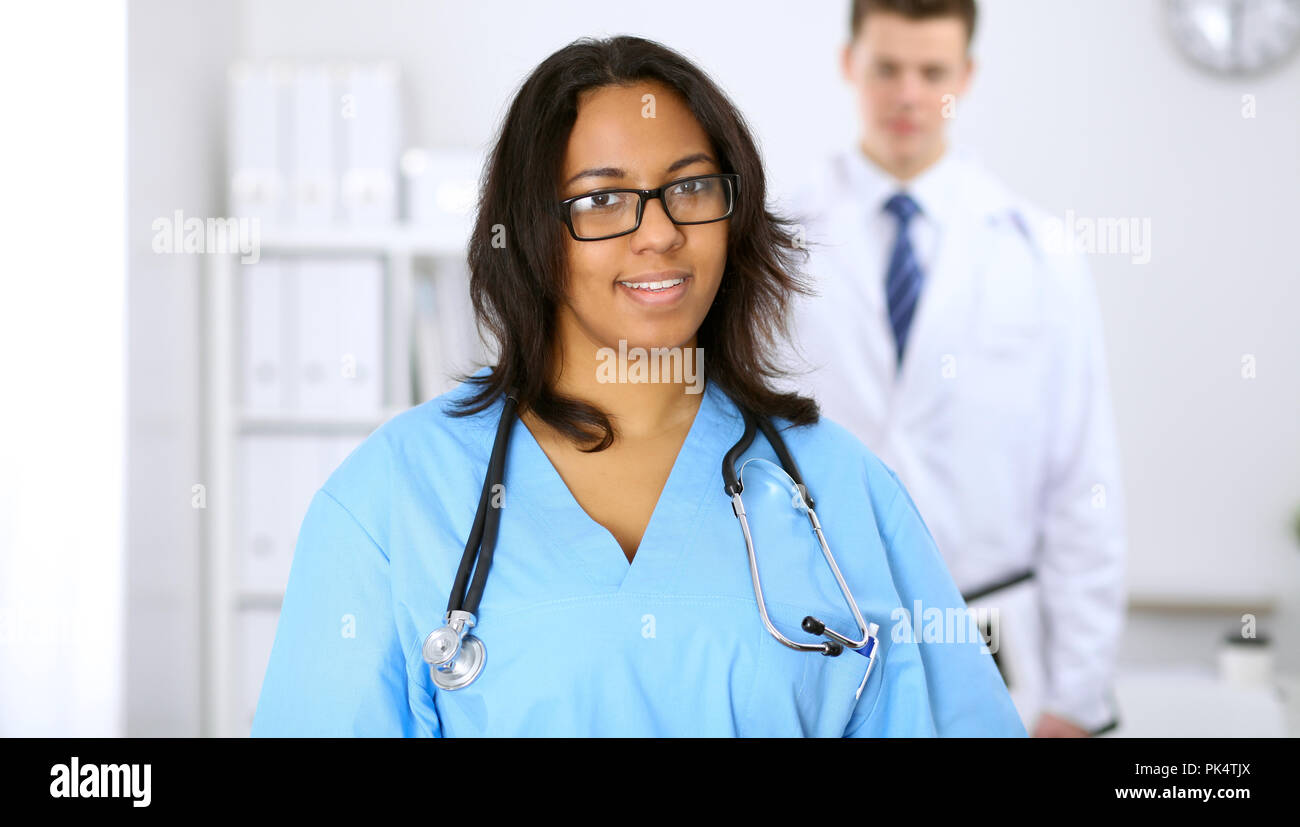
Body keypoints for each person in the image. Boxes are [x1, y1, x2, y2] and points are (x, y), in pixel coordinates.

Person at [251, 34, 1024, 737]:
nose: (659, 231)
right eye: (602, 199)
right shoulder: (390, 499)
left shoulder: (842, 488)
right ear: (529, 231)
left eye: (690, 188)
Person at [782, 0, 1125, 737]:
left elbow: (1082, 480)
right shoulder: (777, 245)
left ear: (965, 76)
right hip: (816, 636)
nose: (909, 94)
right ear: (850, 65)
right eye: (887, 69)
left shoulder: (1039, 254)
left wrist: (1076, 694)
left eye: (931, 71)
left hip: (992, 636)